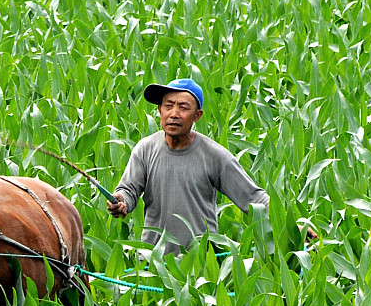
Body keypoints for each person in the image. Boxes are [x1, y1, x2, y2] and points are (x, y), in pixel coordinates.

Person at [107, 78, 269, 253]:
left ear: (197, 115)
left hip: (200, 265)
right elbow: (128, 190)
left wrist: (296, 226)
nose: (174, 114)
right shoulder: (145, 149)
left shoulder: (214, 155)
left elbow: (254, 199)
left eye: (183, 107)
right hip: (152, 263)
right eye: (168, 106)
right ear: (160, 109)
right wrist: (121, 201)